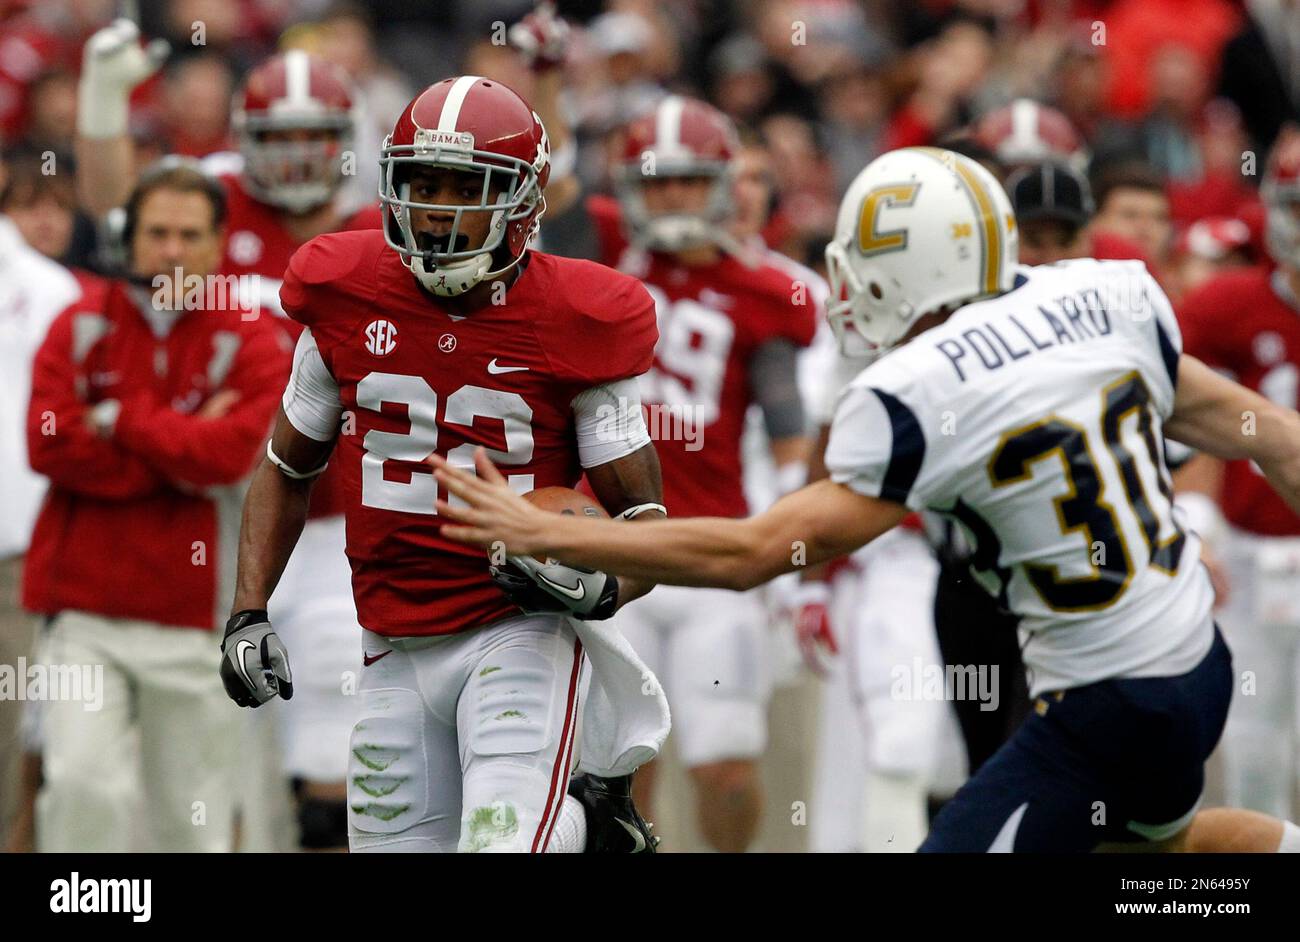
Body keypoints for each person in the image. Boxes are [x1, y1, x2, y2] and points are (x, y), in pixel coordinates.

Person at [431, 146, 1300, 853]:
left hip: (1105, 701)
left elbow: (754, 554)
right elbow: (1270, 433)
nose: (847, 288)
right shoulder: (1101, 295)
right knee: (1161, 856)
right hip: (1198, 659)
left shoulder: (918, 392)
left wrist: (553, 534)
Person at [219, 76, 670, 854]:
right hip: (389, 636)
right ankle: (580, 828)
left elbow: (643, 522)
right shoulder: (342, 290)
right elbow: (287, 467)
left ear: (524, 200)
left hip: (517, 629)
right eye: (422, 184)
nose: (438, 209)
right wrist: (249, 609)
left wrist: (598, 587)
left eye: (467, 187)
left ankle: (569, 825)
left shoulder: (579, 318)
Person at [22, 159, 290, 852]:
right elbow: (48, 447)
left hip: (197, 617)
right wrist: (182, 440)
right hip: (82, 610)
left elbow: (229, 458)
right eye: (157, 232)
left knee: (190, 821)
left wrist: (116, 419)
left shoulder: (253, 335)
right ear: (126, 236)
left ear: (218, 241)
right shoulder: (78, 322)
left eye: (189, 234)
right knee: (83, 788)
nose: (171, 250)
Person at [587, 97, 818, 852]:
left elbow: (790, 441)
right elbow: (547, 195)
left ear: (723, 183)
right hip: (614, 552)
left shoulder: (762, 293)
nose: (672, 197)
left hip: (713, 550)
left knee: (726, 767)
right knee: (621, 767)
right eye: (656, 182)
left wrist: (792, 567)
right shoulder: (608, 250)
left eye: (688, 181)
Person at [1174, 130, 1300, 821]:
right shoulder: (1224, 308)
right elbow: (1190, 430)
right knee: (1252, 747)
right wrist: (1200, 525)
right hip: (1253, 556)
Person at [0, 150, 81, 852]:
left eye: (59, 204)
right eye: (32, 205)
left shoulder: (64, 294)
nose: (46, 219)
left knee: (26, 727)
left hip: (31, 546)